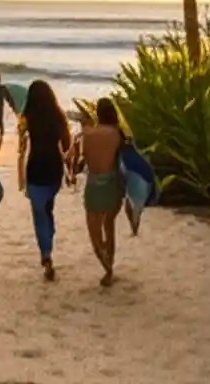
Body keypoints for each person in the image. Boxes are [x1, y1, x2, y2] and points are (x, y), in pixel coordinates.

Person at [20, 79, 73, 282]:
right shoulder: (58, 117)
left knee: (39, 213)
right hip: (53, 168)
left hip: (35, 167)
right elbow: (66, 144)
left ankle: (46, 252)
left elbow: (21, 144)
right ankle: (48, 240)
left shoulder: (27, 117)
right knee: (47, 209)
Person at [72, 97, 125, 287]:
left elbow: (84, 159)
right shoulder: (118, 134)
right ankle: (110, 267)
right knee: (109, 225)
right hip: (113, 184)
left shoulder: (89, 134)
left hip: (94, 185)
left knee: (94, 232)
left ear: (98, 114)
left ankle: (107, 267)